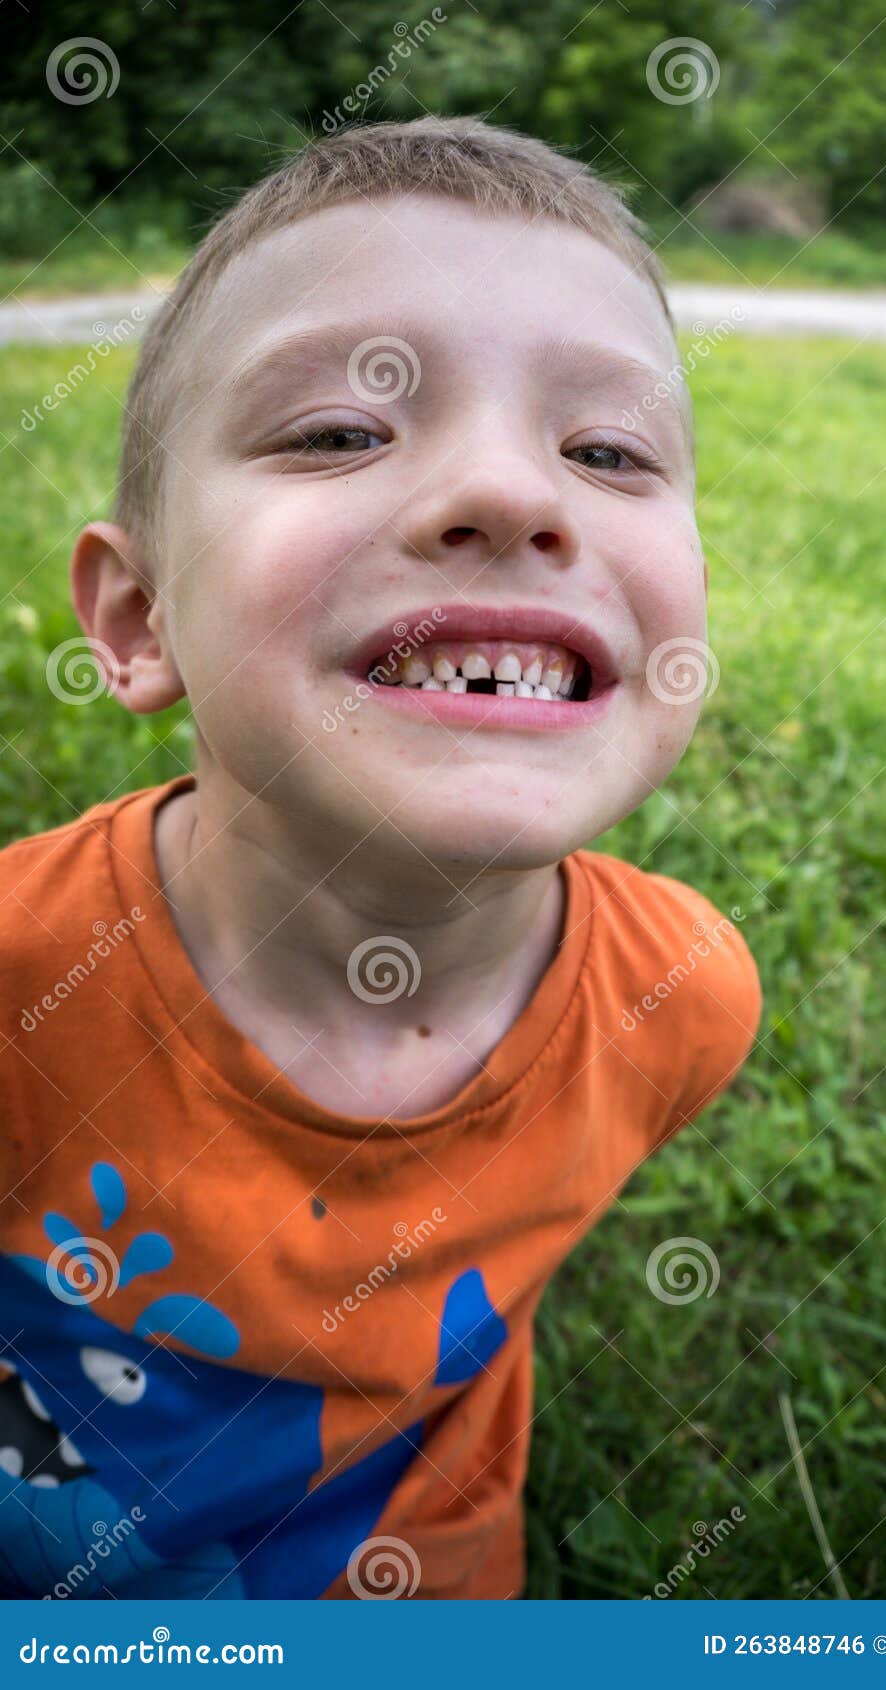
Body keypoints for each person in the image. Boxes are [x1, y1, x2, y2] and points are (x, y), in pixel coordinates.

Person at [0, 115, 760, 1600]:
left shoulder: (682, 999)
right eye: (341, 430)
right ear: (140, 621)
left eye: (607, 450)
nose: (515, 496)